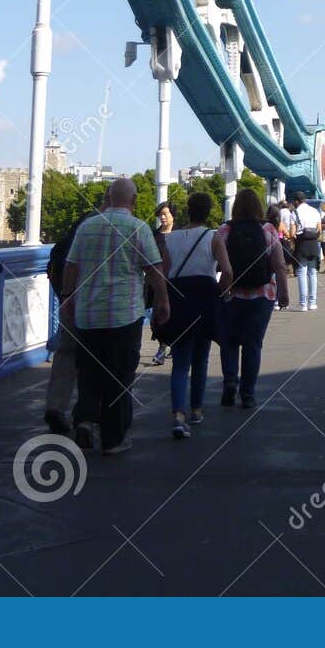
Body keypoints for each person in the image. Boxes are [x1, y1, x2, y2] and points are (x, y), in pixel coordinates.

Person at [62, 177, 168, 455]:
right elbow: (155, 270)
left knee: (88, 373)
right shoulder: (138, 228)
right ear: (133, 201)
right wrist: (163, 302)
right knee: (120, 377)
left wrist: (67, 297)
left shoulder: (87, 227)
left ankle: (84, 420)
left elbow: (70, 266)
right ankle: (113, 439)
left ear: (108, 198)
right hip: (124, 316)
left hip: (88, 315)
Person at [161, 192, 232, 439]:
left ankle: (178, 415)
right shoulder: (212, 237)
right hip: (205, 299)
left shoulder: (171, 238)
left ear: (187, 211)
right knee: (201, 358)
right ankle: (197, 409)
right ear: (208, 211)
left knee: (180, 362)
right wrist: (223, 292)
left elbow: (165, 273)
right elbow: (228, 271)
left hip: (179, 300)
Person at [218, 189, 290, 408]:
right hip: (262, 295)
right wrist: (283, 293)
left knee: (229, 341)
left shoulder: (225, 230)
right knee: (253, 344)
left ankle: (230, 381)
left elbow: (216, 261)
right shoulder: (267, 229)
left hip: (231, 295)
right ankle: (248, 393)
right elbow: (278, 265)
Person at [42, 217, 83, 434]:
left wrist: (64, 298)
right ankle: (86, 415)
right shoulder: (90, 245)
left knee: (65, 357)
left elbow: (53, 273)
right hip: (93, 309)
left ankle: (55, 406)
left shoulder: (62, 246)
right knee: (96, 362)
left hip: (68, 306)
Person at [146, 201, 175, 367]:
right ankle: (162, 347)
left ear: (173, 215)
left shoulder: (179, 234)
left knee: (173, 314)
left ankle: (167, 348)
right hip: (157, 283)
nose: (163, 217)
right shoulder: (154, 236)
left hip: (175, 282)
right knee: (158, 317)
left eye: (166, 214)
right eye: (161, 214)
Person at [291, 194, 323, 311]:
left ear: (296, 201)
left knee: (301, 273)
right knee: (313, 273)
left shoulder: (295, 213)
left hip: (301, 246)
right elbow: (319, 230)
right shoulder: (315, 211)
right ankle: (312, 302)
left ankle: (303, 304)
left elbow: (292, 233)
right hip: (314, 245)